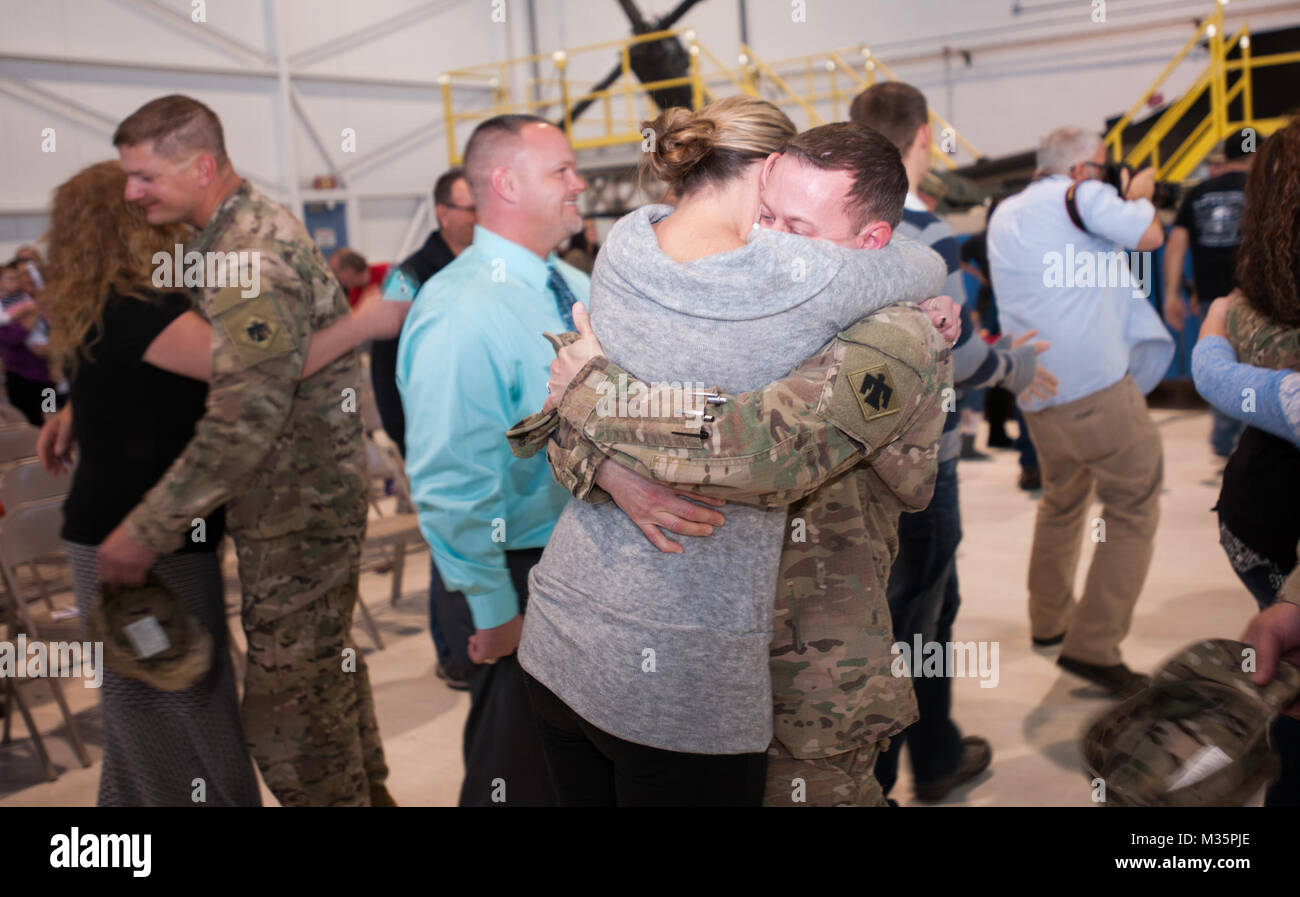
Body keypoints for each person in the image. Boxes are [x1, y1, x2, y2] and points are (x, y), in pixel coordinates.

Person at [516, 100, 948, 806]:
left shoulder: (897, 334)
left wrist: (595, 395)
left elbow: (761, 453)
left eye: (797, 230)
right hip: (685, 672)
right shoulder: (755, 300)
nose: (767, 244)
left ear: (871, 243)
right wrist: (616, 473)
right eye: (767, 215)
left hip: (805, 682)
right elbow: (551, 423)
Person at [36, 161, 400, 806]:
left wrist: (73, 413)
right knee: (172, 703)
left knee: (151, 703)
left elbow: (132, 385)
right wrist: (363, 325)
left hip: (136, 529)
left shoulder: (116, 306)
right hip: (140, 538)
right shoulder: (145, 310)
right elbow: (263, 373)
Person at [851, 81, 1058, 800]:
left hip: (854, 471)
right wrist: (1017, 366)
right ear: (924, 136)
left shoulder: (831, 229)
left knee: (914, 614)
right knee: (916, 626)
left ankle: (934, 753)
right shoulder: (926, 230)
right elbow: (958, 355)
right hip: (923, 471)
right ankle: (880, 779)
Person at [396, 114, 595, 807]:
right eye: (562, 171)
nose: (580, 183)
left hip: (576, 558)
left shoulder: (567, 281)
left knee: (573, 769)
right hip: (513, 568)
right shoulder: (459, 310)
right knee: (517, 772)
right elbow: (452, 479)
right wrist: (492, 607)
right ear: (507, 183)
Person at [988, 125, 1169, 697]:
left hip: (1038, 390)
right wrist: (1138, 192)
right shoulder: (1083, 196)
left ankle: (1049, 621)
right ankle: (1093, 646)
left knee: (1064, 501)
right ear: (1084, 167)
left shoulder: (1003, 212)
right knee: (1134, 503)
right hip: (1096, 389)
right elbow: (1150, 237)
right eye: (1101, 163)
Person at [373, 166, 477, 691]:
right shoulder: (407, 274)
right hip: (431, 437)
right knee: (450, 544)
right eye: (469, 208)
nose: (480, 217)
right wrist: (404, 436)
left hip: (480, 435)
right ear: (443, 213)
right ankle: (454, 655)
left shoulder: (486, 265)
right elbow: (381, 362)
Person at [1164, 130, 1256, 458]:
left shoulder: (1199, 192)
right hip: (1256, 296)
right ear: (1256, 156)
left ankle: (1222, 437)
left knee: (1221, 364)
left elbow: (1175, 246)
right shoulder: (1264, 188)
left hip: (1211, 298)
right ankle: (1248, 440)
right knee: (1256, 366)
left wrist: (1172, 294)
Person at [0, 261, 57, 425]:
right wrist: (35, 310)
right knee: (29, 423)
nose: (25, 280)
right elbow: (12, 339)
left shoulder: (35, 300)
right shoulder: (6, 305)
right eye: (17, 277)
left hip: (47, 377)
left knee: (50, 416)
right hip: (21, 376)